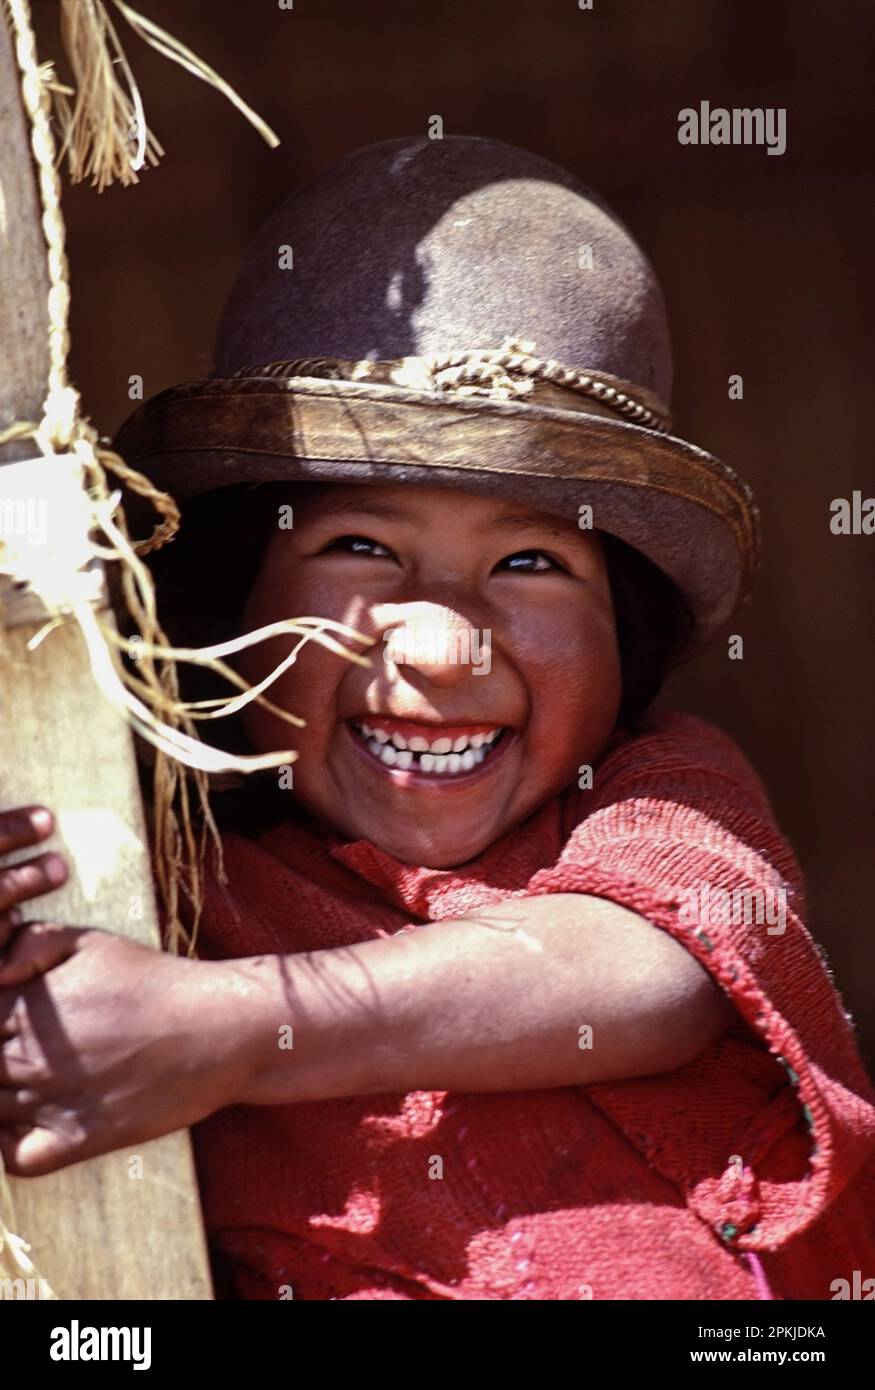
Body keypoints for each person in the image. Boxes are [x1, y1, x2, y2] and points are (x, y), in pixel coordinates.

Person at [0, 136, 873, 1301]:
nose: (442, 647)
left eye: (530, 561)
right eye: (359, 545)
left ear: (625, 633)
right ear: (229, 600)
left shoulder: (658, 792)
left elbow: (654, 968)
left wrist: (221, 1030)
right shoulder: (160, 884)